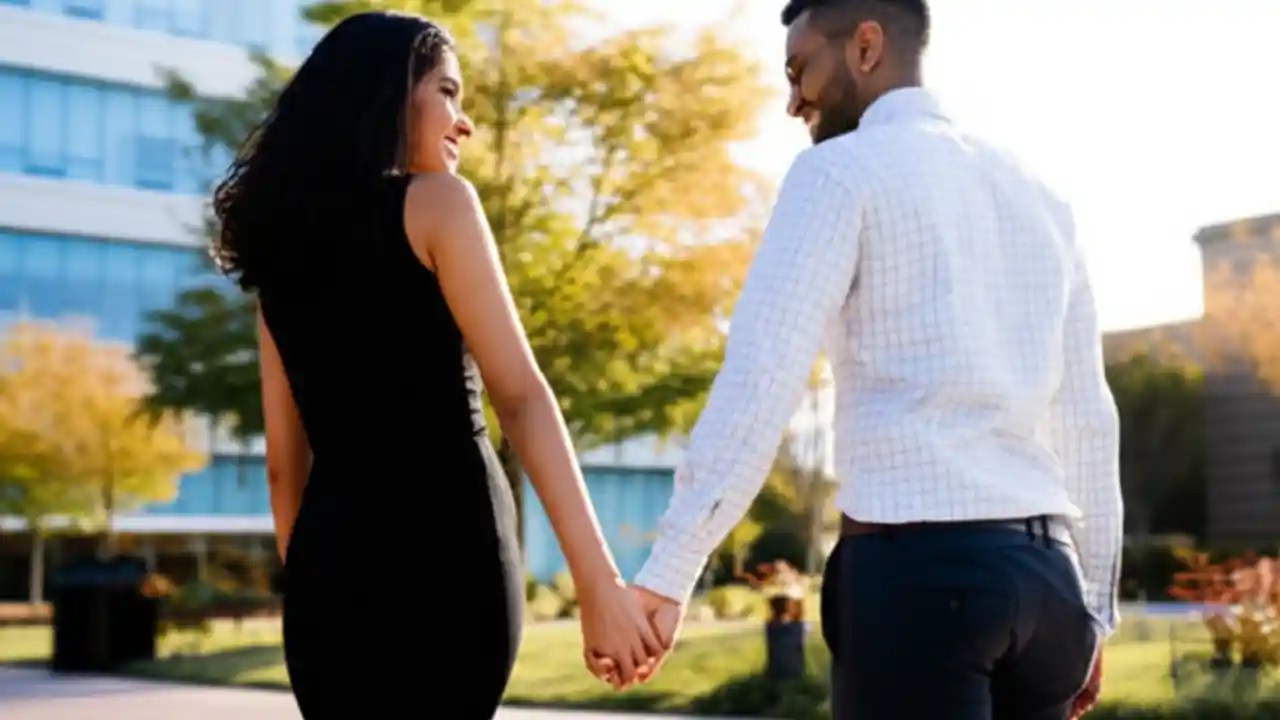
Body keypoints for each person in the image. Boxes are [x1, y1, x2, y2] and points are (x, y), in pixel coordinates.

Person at [623, 1, 1122, 718]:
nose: (792, 100)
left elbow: (762, 382)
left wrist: (669, 571)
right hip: (1048, 587)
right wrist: (1096, 611)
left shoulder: (837, 173)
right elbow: (1086, 419)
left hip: (920, 580)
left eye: (800, 72)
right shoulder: (1040, 195)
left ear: (865, 46)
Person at [210, 12, 665, 718]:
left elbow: (282, 468)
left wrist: (317, 590)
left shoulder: (278, 254)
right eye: (448, 92)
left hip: (329, 582)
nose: (465, 122)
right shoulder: (438, 206)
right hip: (453, 564)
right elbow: (522, 398)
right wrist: (598, 584)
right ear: (391, 95)